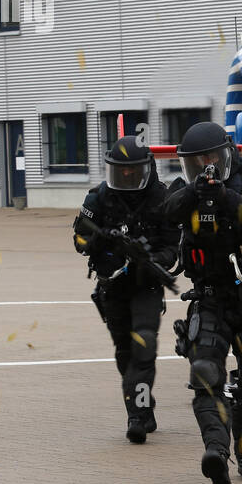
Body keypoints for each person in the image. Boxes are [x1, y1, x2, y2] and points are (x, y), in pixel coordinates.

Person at [164, 121, 242, 484]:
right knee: (205, 373)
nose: (205, 168)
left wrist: (226, 198)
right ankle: (216, 451)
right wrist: (196, 194)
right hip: (211, 299)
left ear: (227, 154)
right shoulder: (185, 192)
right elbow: (166, 212)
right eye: (195, 164)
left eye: (211, 160)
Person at [72, 136, 178, 444]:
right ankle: (143, 404)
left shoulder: (162, 198)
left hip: (146, 285)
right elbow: (79, 240)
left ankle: (137, 415)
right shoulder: (98, 198)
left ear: (145, 169)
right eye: (122, 172)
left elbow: (174, 247)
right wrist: (100, 241)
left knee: (144, 345)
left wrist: (154, 259)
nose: (128, 177)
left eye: (133, 171)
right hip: (112, 286)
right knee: (124, 353)